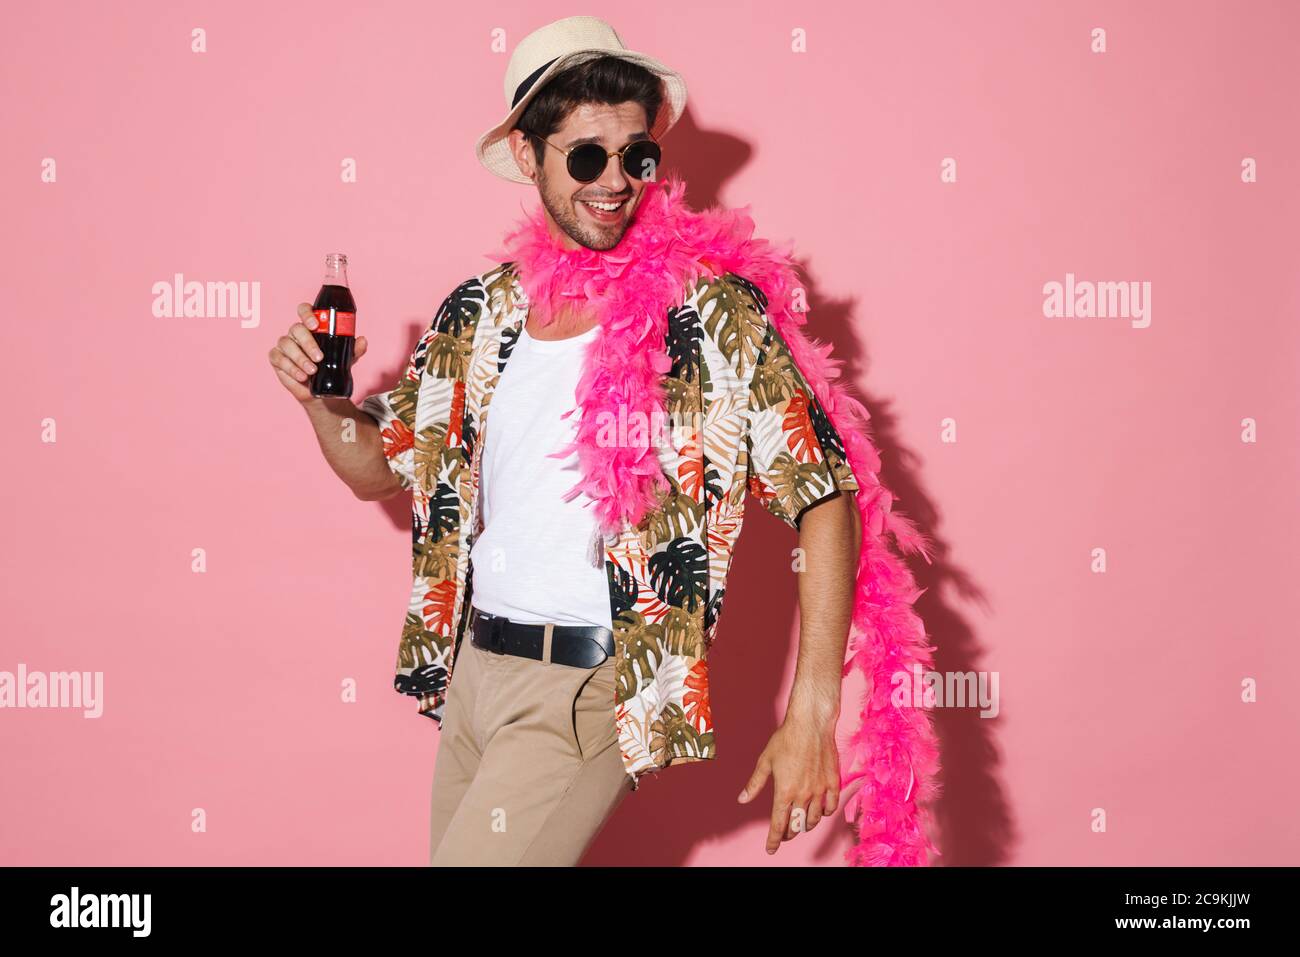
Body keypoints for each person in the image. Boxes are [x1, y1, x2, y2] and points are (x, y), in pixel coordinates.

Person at [268, 15, 941, 867]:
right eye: (587, 156)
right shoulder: (478, 315)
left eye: (637, 156)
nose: (616, 182)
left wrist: (809, 713)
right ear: (528, 155)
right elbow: (379, 470)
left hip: (586, 690)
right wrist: (320, 404)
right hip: (473, 675)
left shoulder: (710, 313)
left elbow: (826, 490)